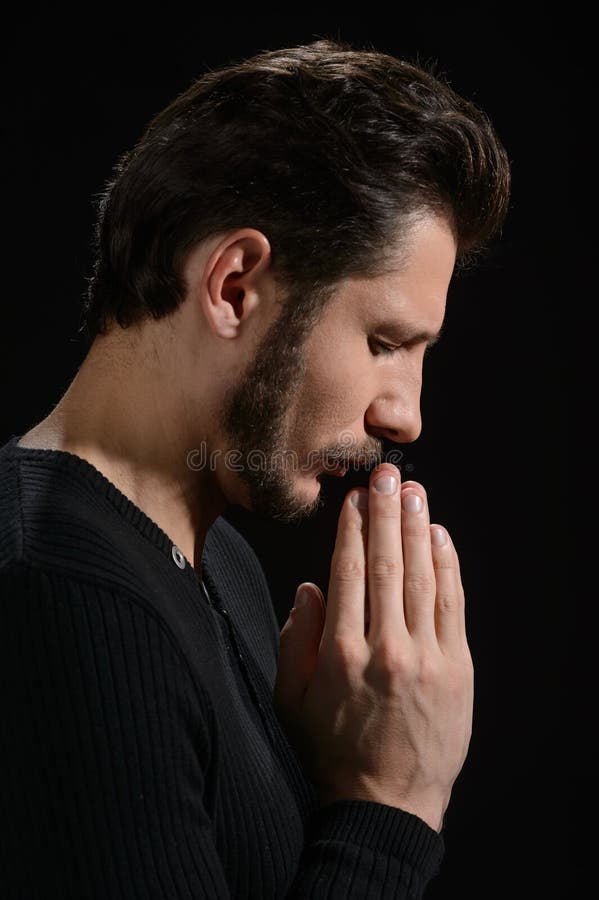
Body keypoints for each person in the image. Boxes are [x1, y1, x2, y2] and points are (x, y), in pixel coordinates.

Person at [0, 37, 510, 898]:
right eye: (385, 342)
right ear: (235, 286)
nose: (405, 415)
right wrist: (391, 805)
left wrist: (324, 769)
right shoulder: (62, 599)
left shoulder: (217, 559)